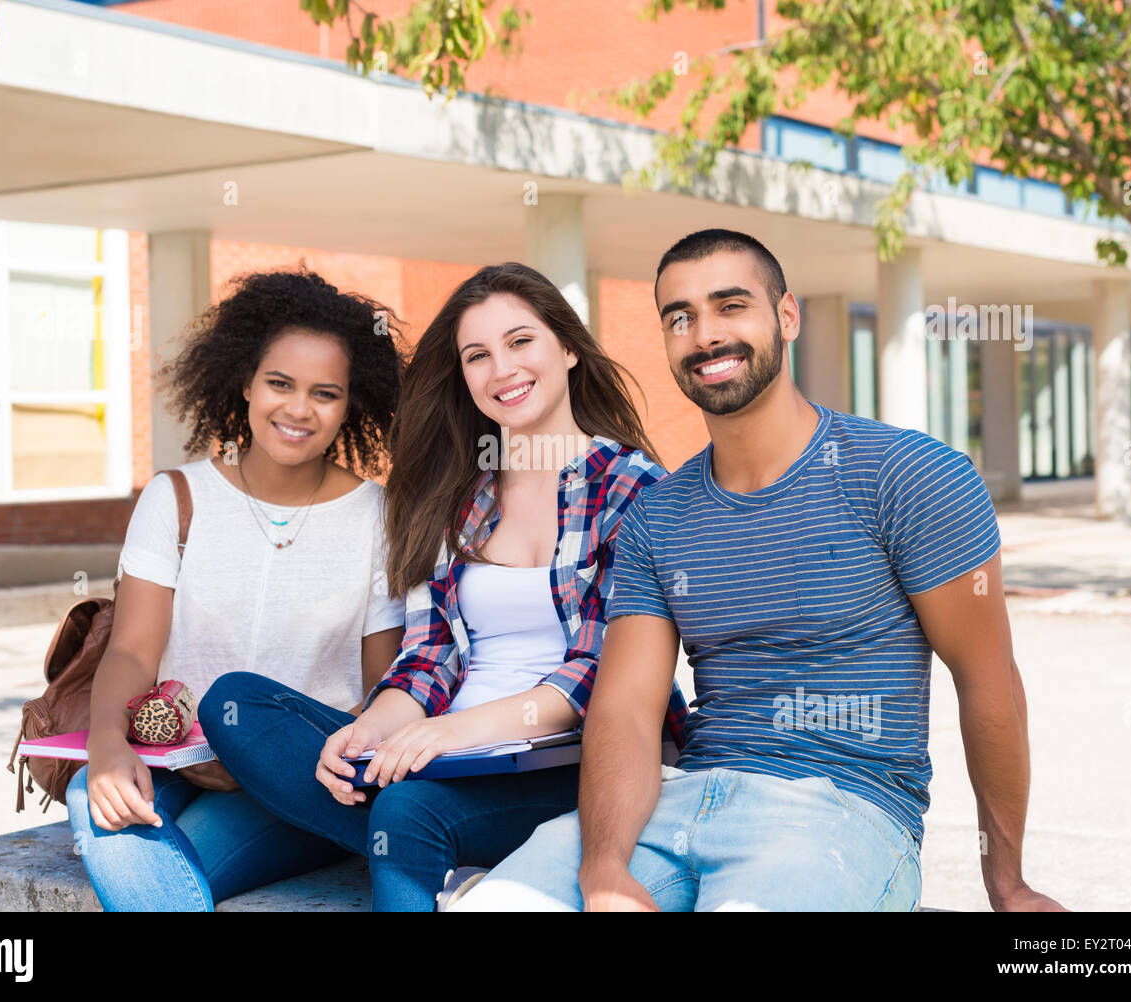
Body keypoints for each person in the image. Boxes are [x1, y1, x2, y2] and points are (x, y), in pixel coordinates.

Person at [452, 229, 1067, 912]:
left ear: (788, 316)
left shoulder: (909, 475)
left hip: (838, 817)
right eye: (679, 317)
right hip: (678, 800)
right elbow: (626, 708)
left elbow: (989, 681)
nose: (704, 334)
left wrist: (1007, 884)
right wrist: (603, 871)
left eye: (730, 305)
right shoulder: (660, 514)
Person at [200, 261, 688, 911]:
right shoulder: (462, 498)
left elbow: (601, 674)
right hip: (446, 757)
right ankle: (437, 859)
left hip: (566, 763)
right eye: (477, 355)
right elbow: (431, 657)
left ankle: (404, 839)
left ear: (568, 348)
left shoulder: (635, 489)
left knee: (406, 812)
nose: (501, 370)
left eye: (520, 342)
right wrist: (373, 728)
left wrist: (451, 735)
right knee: (238, 704)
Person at [65, 267, 407, 911]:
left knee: (174, 852)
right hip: (173, 759)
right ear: (246, 382)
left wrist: (261, 758)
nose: (298, 409)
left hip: (302, 781)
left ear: (350, 404)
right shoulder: (176, 499)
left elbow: (383, 691)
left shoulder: (378, 518)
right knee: (94, 790)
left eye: (324, 393)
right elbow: (133, 654)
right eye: (280, 383)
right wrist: (108, 746)